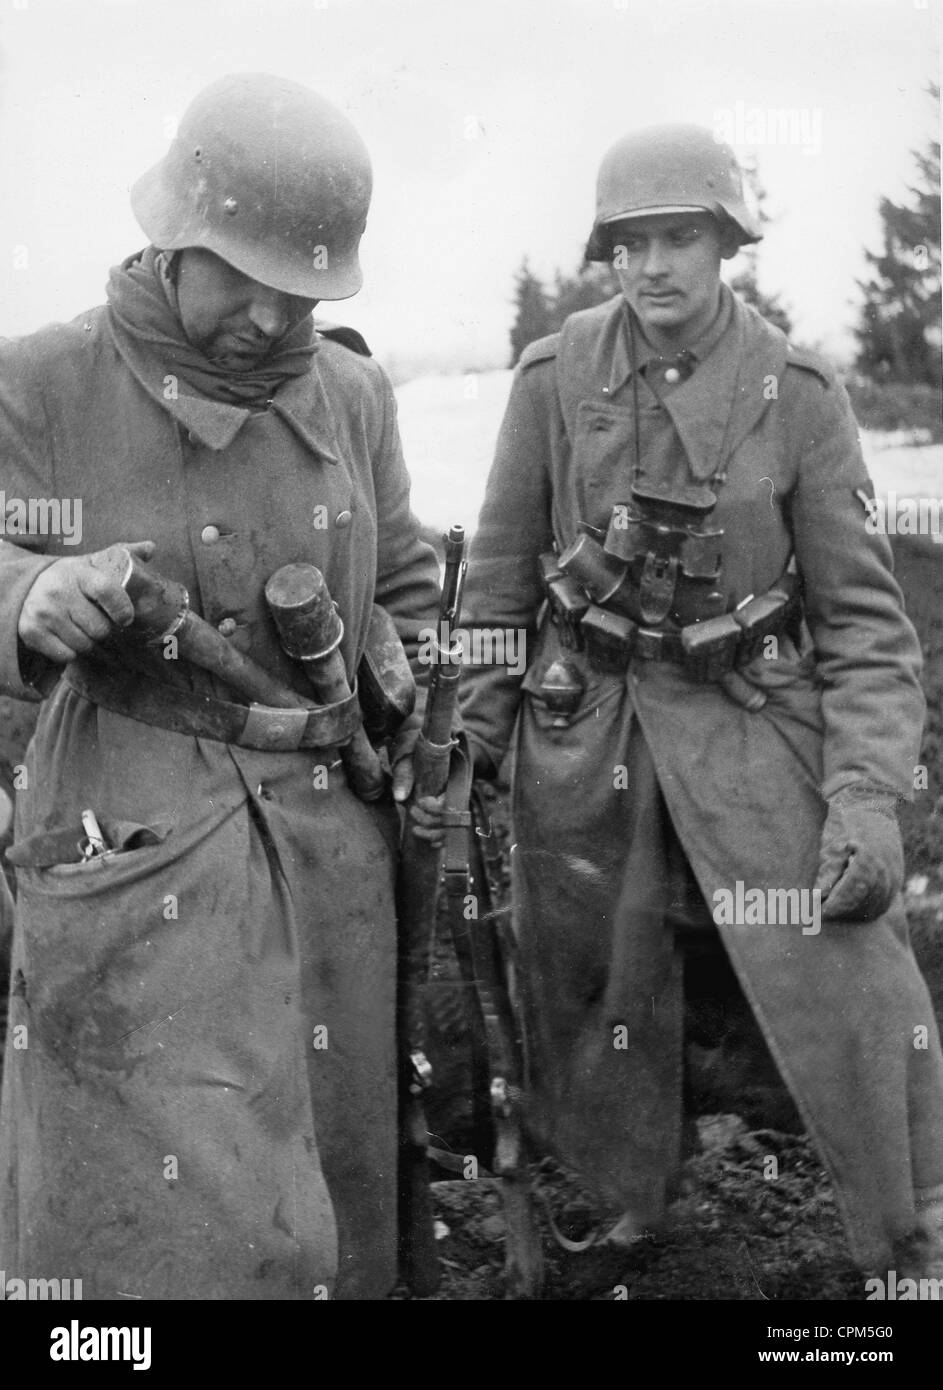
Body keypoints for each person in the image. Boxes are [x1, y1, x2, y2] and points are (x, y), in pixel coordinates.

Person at [459, 123, 943, 1283]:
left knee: (846, 961)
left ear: (724, 242)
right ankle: (634, 1199)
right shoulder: (553, 377)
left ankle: (906, 1230)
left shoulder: (799, 393)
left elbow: (870, 626)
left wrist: (867, 792)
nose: (653, 266)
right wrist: (468, 742)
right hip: (588, 730)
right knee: (592, 980)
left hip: (748, 717)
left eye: (679, 238)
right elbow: (495, 577)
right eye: (629, 244)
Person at [0, 72, 441, 1300]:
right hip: (133, 837)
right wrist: (25, 595)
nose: (263, 315)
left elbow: (404, 572)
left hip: (328, 838)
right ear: (171, 237)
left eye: (295, 287)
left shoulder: (350, 393)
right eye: (236, 276)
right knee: (150, 1218)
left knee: (336, 1178)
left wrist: (405, 659)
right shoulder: (40, 383)